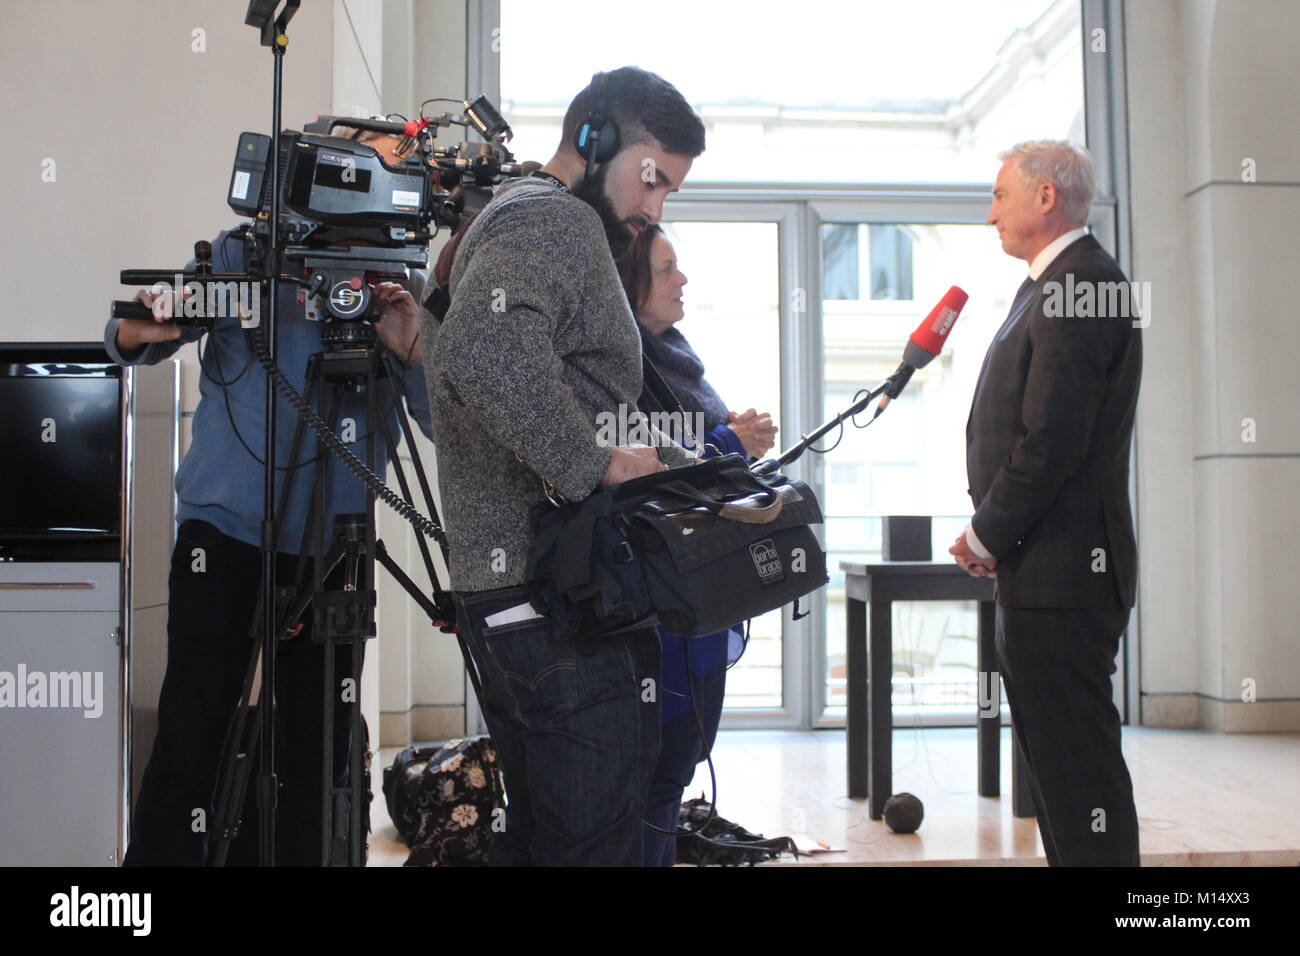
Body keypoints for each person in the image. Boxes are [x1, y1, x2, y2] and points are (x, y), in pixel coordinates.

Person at [106, 126, 433, 865]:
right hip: (223, 537)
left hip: (334, 545)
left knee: (322, 748)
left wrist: (411, 344)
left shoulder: (400, 281)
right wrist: (154, 321)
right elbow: (125, 334)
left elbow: (445, 420)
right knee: (194, 732)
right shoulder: (239, 255)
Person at [424, 67, 706, 866]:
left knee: (555, 837)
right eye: (653, 179)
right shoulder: (557, 222)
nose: (654, 207)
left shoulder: (513, 215)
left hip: (518, 592)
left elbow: (507, 370)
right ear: (595, 139)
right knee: (593, 844)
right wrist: (593, 464)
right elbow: (485, 352)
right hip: (554, 598)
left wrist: (678, 464)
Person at [950, 139, 1143, 866]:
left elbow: (1051, 439)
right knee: (1060, 775)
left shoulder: (1078, 283)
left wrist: (986, 534)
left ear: (1044, 198)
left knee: (1077, 775)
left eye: (1001, 195)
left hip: (1066, 575)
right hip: (1045, 571)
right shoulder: (1050, 281)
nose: (991, 212)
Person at [616, 223, 777, 866]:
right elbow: (649, 473)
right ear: (630, 284)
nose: (682, 279)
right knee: (658, 766)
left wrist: (737, 441)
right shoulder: (619, 362)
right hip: (658, 607)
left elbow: (695, 453)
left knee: (680, 762)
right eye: (666, 268)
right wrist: (731, 445)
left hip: (704, 600)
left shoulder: (676, 354)